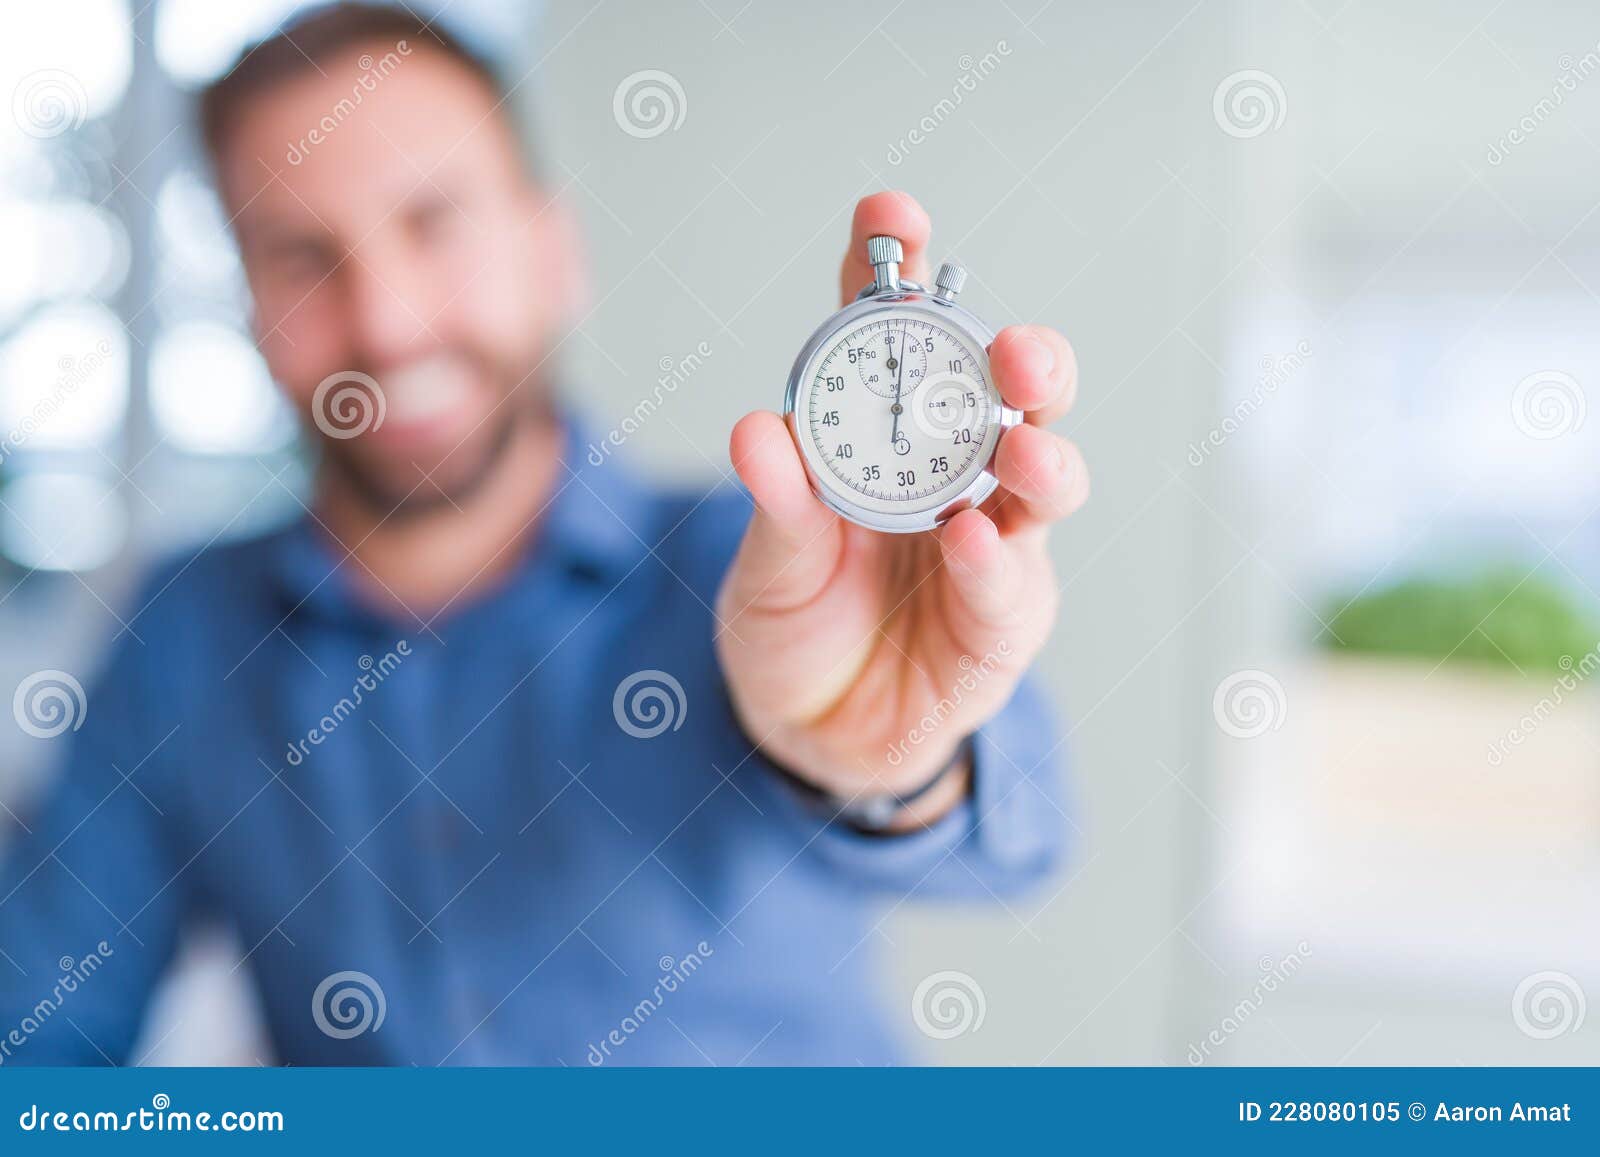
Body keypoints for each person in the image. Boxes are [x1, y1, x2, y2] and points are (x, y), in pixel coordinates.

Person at [0, 4, 1088, 1066]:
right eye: (299, 256)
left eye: (434, 223)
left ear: (552, 251)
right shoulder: (185, 634)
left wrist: (886, 769)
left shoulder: (761, 565)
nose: (386, 318)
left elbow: (1020, 847)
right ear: (248, 309)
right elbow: (41, 1040)